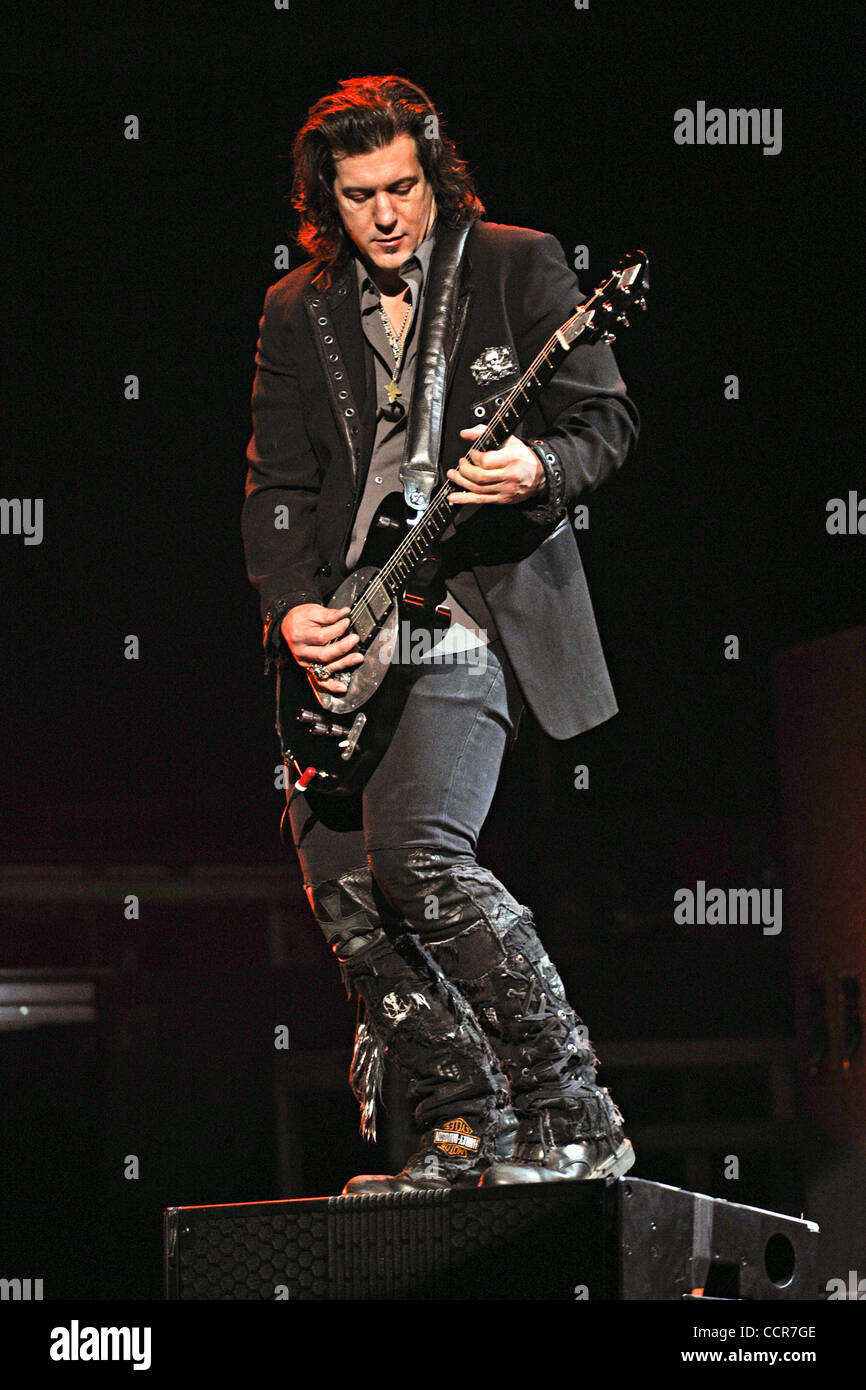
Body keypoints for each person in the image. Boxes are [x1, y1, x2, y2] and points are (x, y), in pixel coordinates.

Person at [242, 75, 640, 1194]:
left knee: (417, 855)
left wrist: (538, 467)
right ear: (325, 195)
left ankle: (572, 1108)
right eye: (358, 193)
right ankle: (467, 1125)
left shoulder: (517, 264)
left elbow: (602, 420)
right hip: (345, 632)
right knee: (343, 887)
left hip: (463, 610)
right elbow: (276, 486)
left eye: (402, 187)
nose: (384, 214)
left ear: (432, 174)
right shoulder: (293, 309)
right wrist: (290, 607)